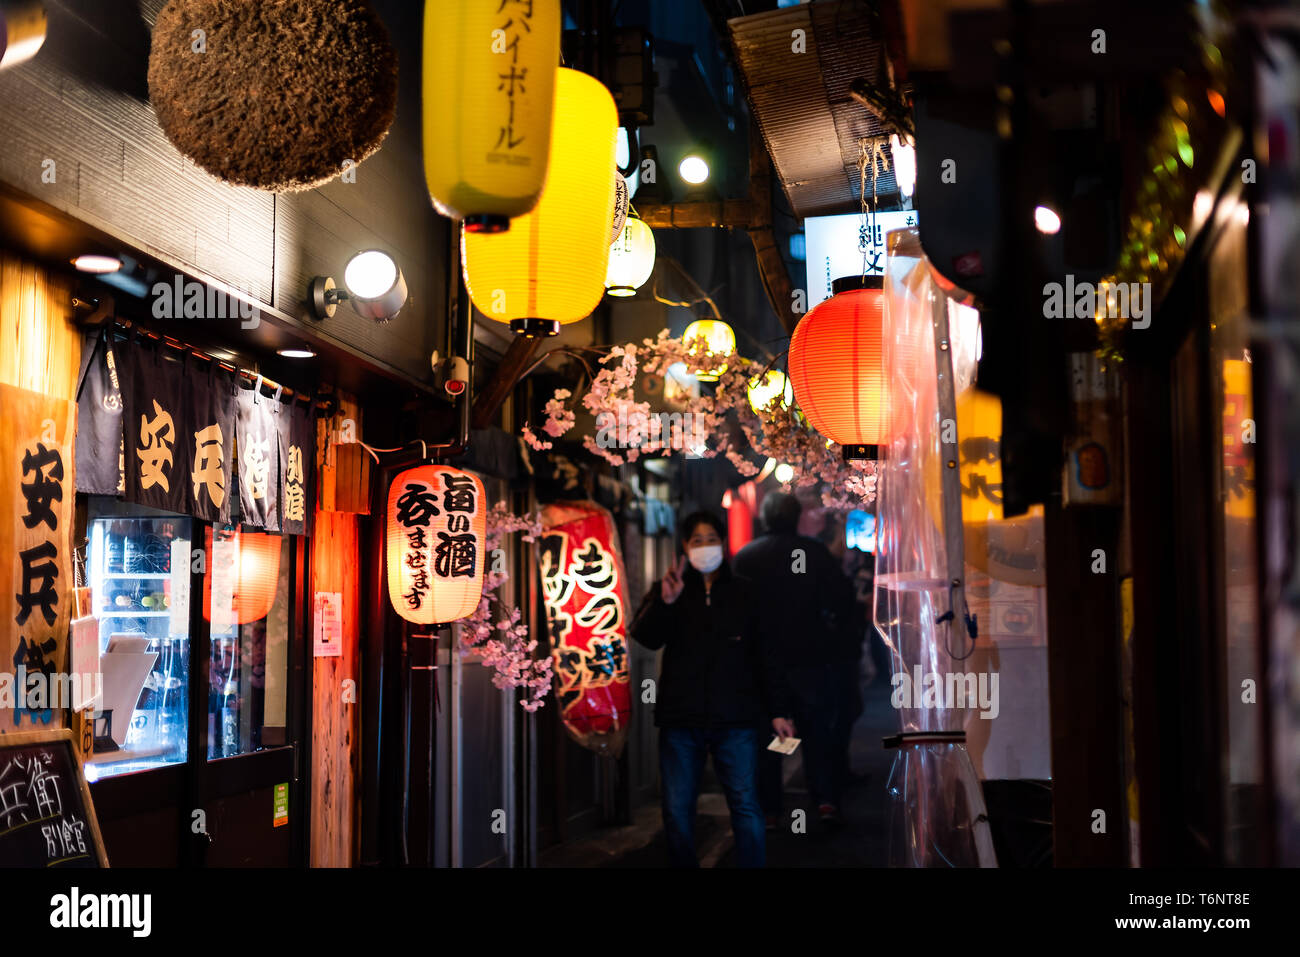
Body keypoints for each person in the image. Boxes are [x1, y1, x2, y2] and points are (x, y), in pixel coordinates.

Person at [631, 510, 795, 868]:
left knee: (746, 803)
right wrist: (665, 602)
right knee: (676, 809)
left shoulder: (745, 593)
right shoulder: (671, 589)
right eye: (696, 541)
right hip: (680, 718)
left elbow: (767, 655)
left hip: (736, 718)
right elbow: (645, 637)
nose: (705, 547)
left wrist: (779, 710)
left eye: (711, 540)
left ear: (723, 544)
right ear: (684, 548)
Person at [733, 491, 858, 825]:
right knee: (816, 734)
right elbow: (843, 601)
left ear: (765, 517)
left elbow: (737, 613)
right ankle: (824, 800)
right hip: (811, 659)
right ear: (797, 516)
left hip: (763, 663)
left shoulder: (747, 557)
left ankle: (772, 809)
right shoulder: (814, 553)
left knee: (773, 740)